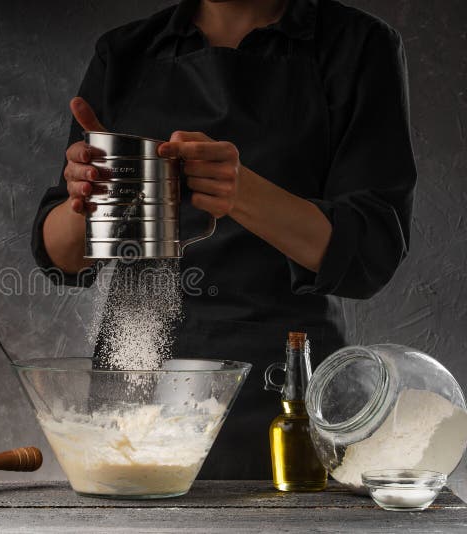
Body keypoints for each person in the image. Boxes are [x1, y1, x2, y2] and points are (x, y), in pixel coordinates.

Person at [30, 0, 416, 479]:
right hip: (134, 379)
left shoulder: (356, 47)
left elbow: (371, 253)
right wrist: (87, 197)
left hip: (282, 385)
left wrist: (244, 192)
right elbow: (63, 258)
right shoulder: (126, 52)